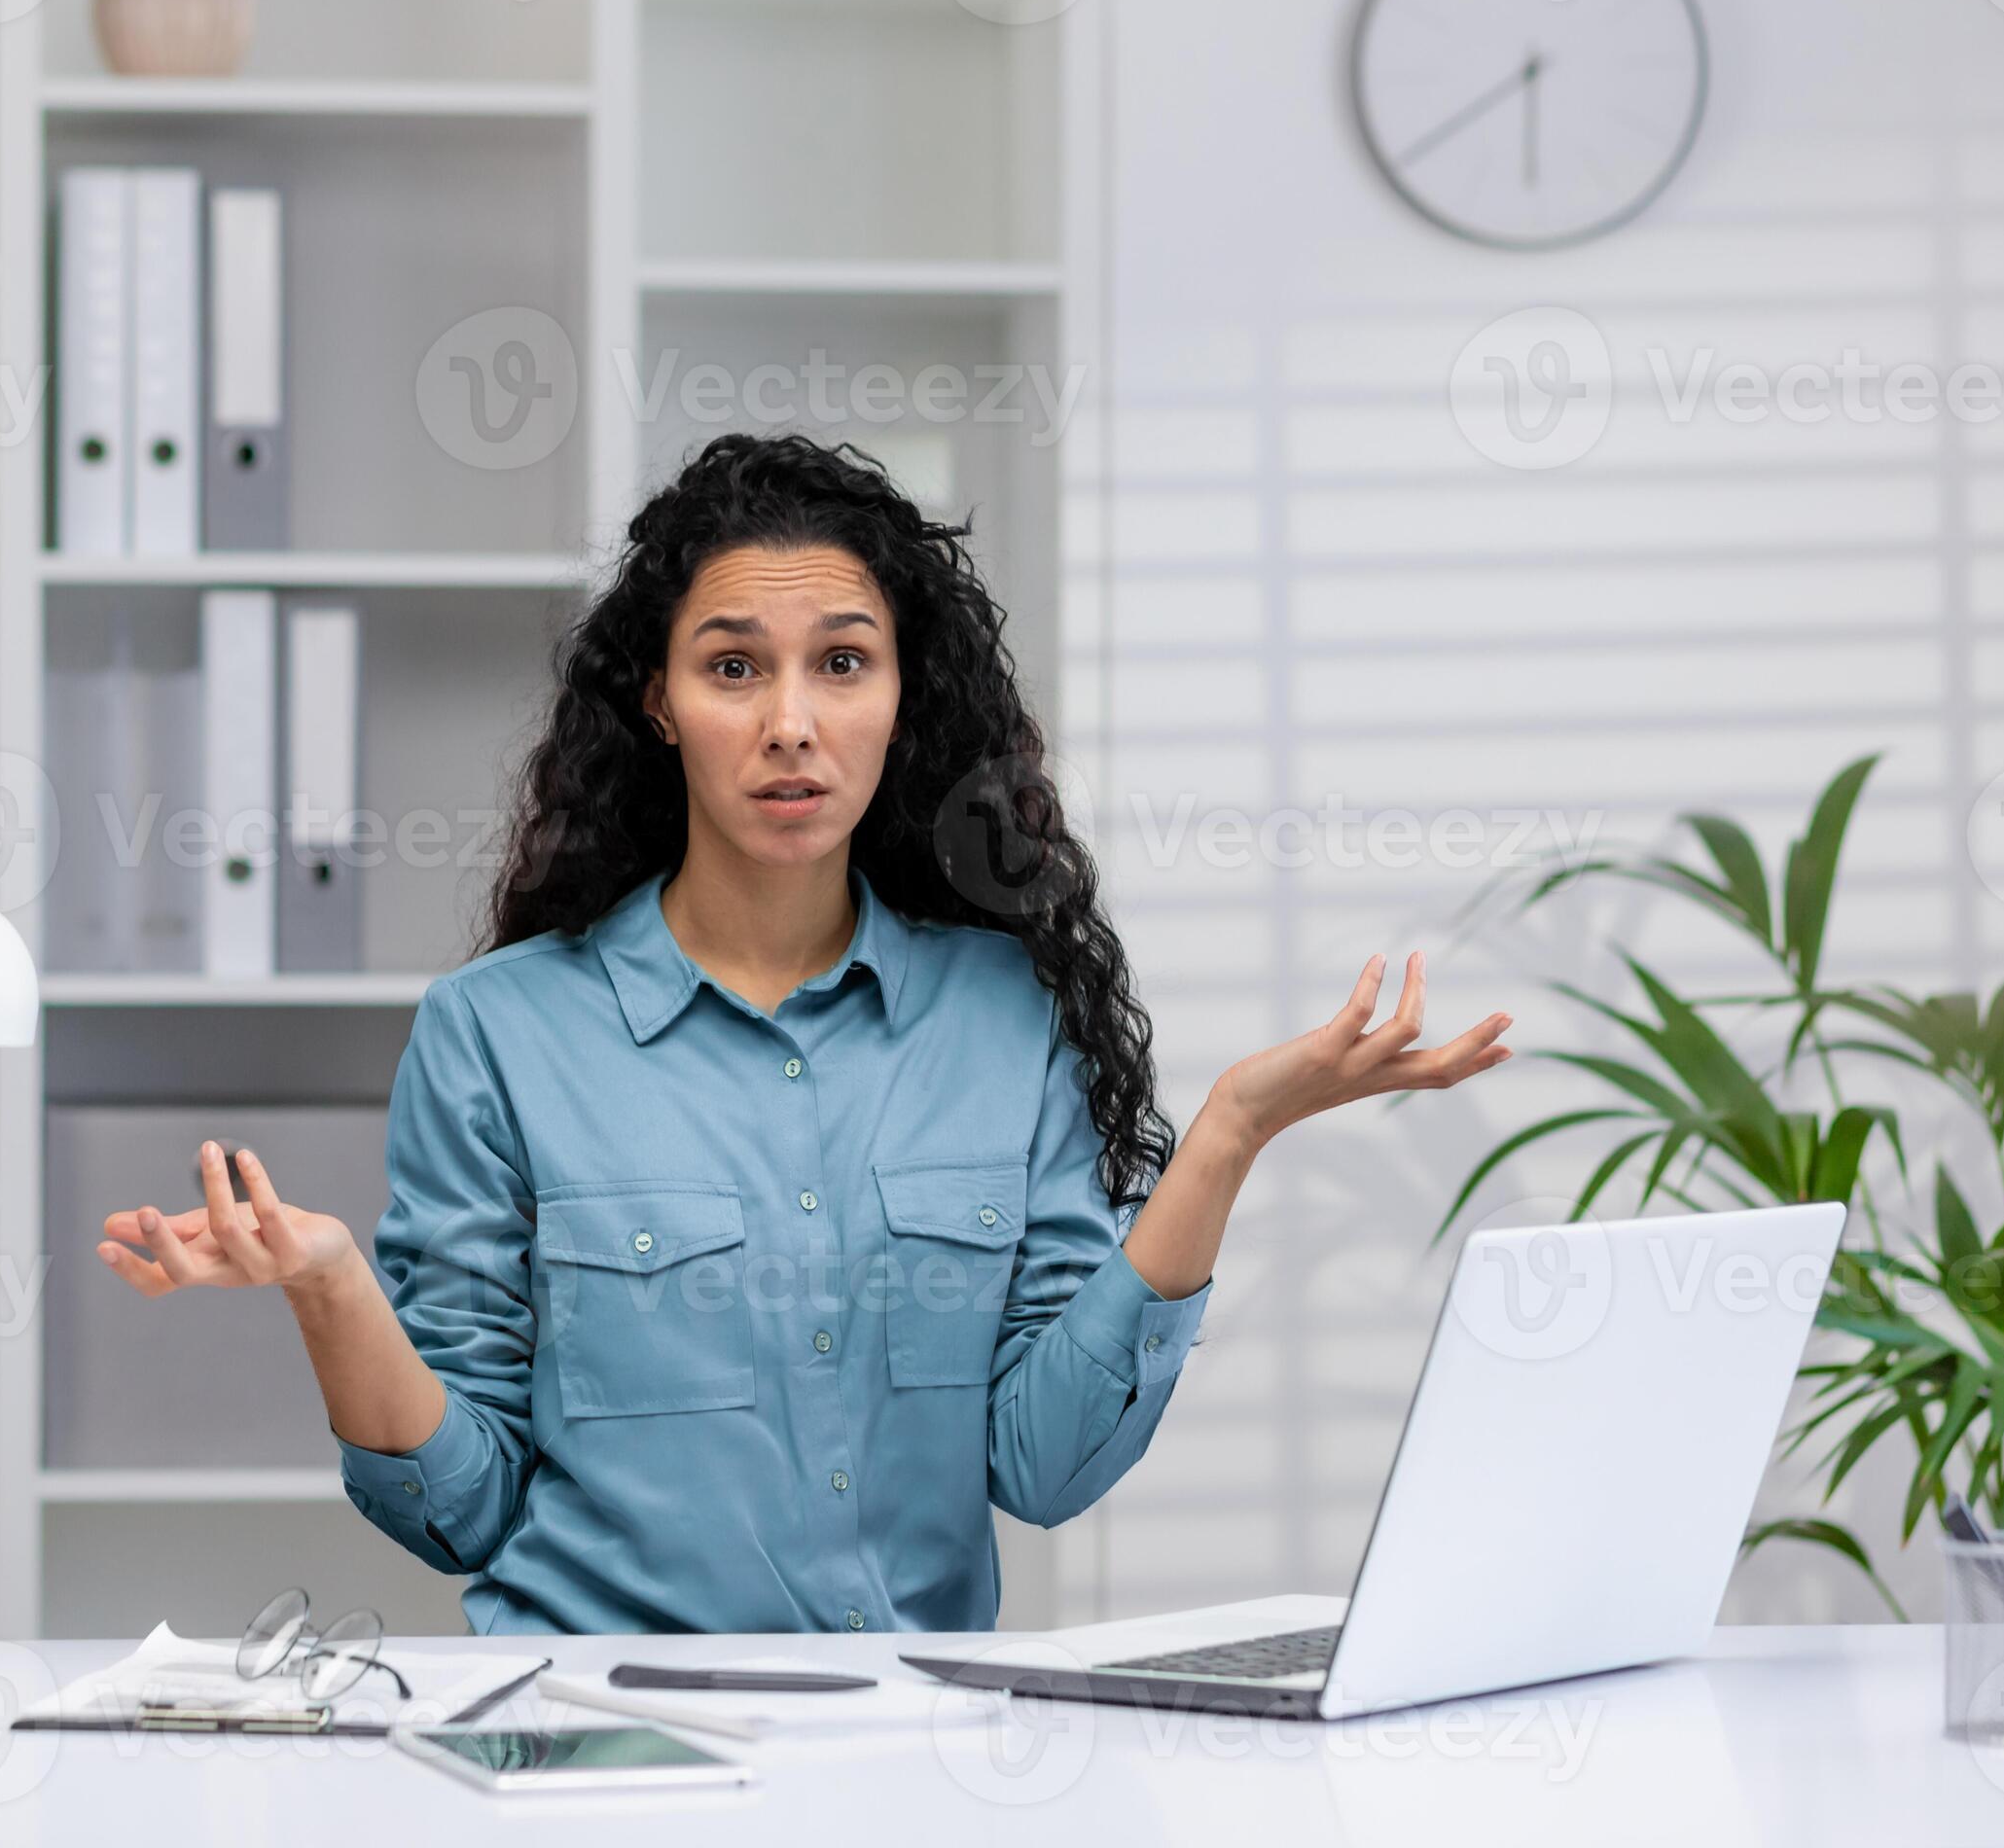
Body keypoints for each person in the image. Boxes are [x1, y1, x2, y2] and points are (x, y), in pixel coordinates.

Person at [94, 433, 1513, 1636]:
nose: (791, 723)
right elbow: (462, 1515)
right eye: (733, 668)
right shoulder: (496, 1034)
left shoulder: (1003, 1016)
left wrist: (1227, 1137)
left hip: (914, 1753)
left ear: (904, 702)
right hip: (597, 1750)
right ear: (657, 702)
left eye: (843, 663)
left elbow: (1044, 1465)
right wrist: (335, 1289)